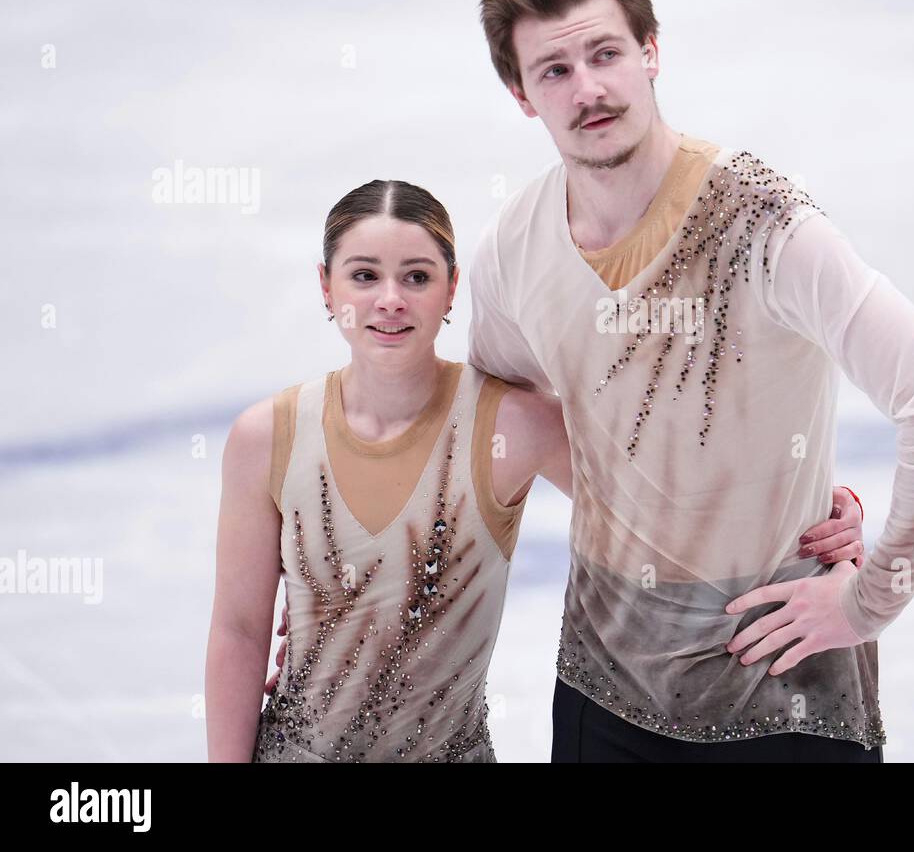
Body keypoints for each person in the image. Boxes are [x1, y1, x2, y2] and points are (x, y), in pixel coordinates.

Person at [467, 0, 914, 762]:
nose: (589, 89)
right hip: (603, 691)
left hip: (787, 691)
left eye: (606, 54)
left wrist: (868, 602)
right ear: (521, 94)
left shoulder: (766, 226)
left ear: (650, 52)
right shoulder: (516, 246)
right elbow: (495, 421)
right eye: (555, 71)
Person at [208, 179, 865, 762]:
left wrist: (820, 508)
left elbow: (672, 506)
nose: (390, 300)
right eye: (363, 276)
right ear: (326, 286)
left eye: (416, 277)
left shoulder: (509, 425)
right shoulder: (267, 439)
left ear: (451, 289)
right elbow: (239, 629)